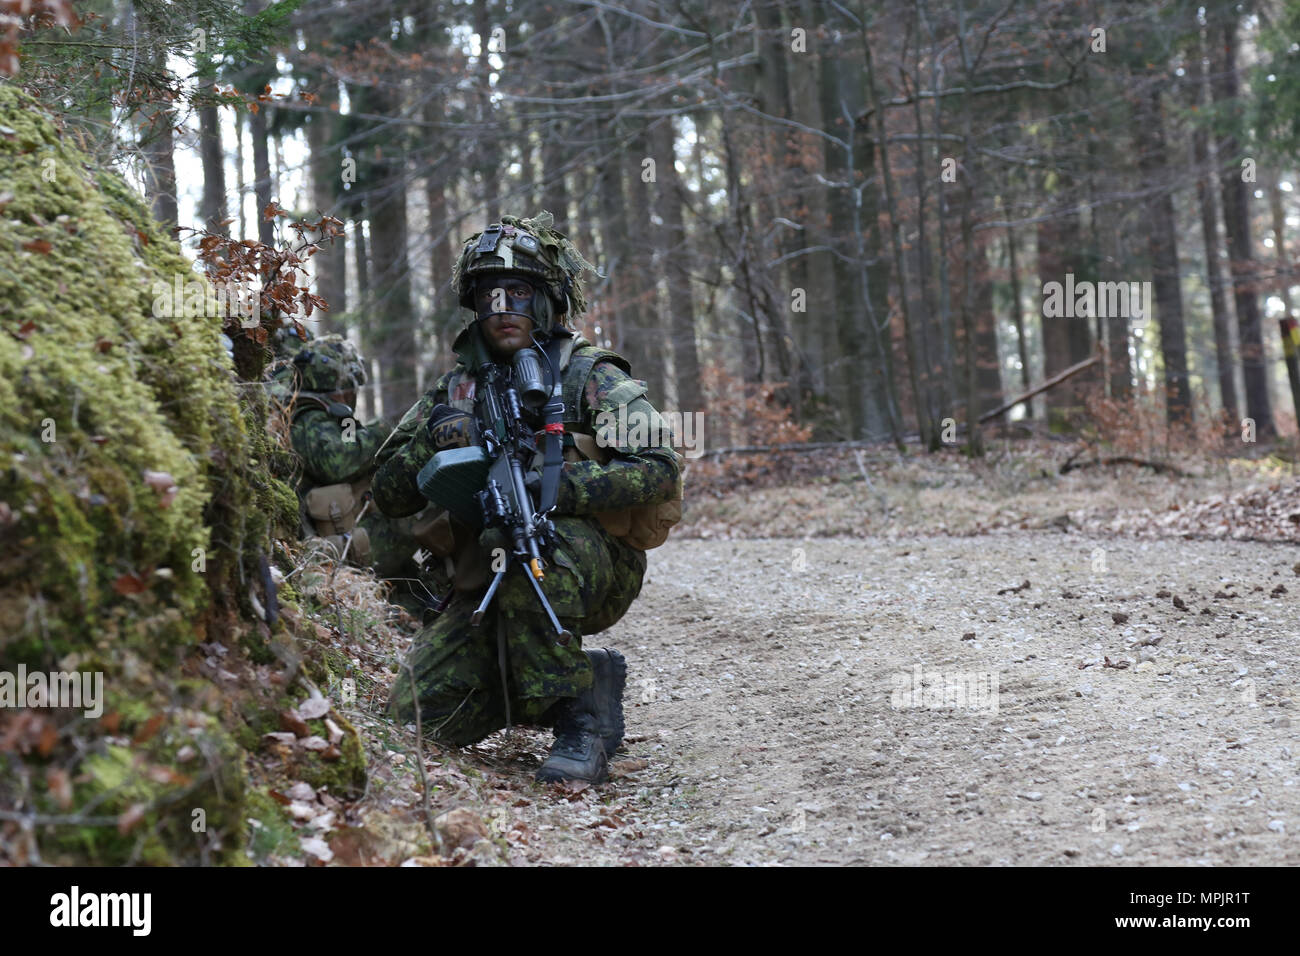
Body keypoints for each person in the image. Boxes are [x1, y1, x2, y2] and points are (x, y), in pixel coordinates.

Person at [372, 212, 683, 784]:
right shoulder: (454, 389)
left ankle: (580, 725)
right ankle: (575, 676)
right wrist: (433, 443)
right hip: (485, 577)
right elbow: (387, 494)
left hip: (586, 561)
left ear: (548, 302)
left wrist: (558, 490)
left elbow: (660, 467)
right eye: (490, 295)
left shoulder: (587, 376)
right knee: (413, 720)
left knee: (519, 549)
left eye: (518, 292)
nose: (501, 307)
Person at [264, 331, 442, 617]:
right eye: (351, 387)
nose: (354, 394)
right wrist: (388, 430)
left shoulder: (328, 418)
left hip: (348, 535)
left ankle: (417, 606)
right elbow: (338, 462)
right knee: (413, 523)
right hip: (333, 545)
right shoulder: (308, 420)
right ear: (339, 388)